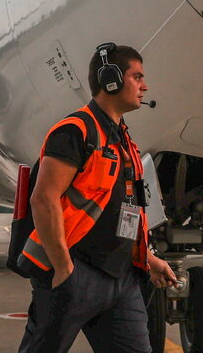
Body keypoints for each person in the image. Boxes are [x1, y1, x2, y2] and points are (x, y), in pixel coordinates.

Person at [17, 43, 177, 353]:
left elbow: (123, 211)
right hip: (76, 273)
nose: (145, 86)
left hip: (121, 279)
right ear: (111, 79)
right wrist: (64, 270)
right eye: (137, 77)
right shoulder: (75, 132)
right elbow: (43, 199)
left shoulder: (124, 141)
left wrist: (148, 259)